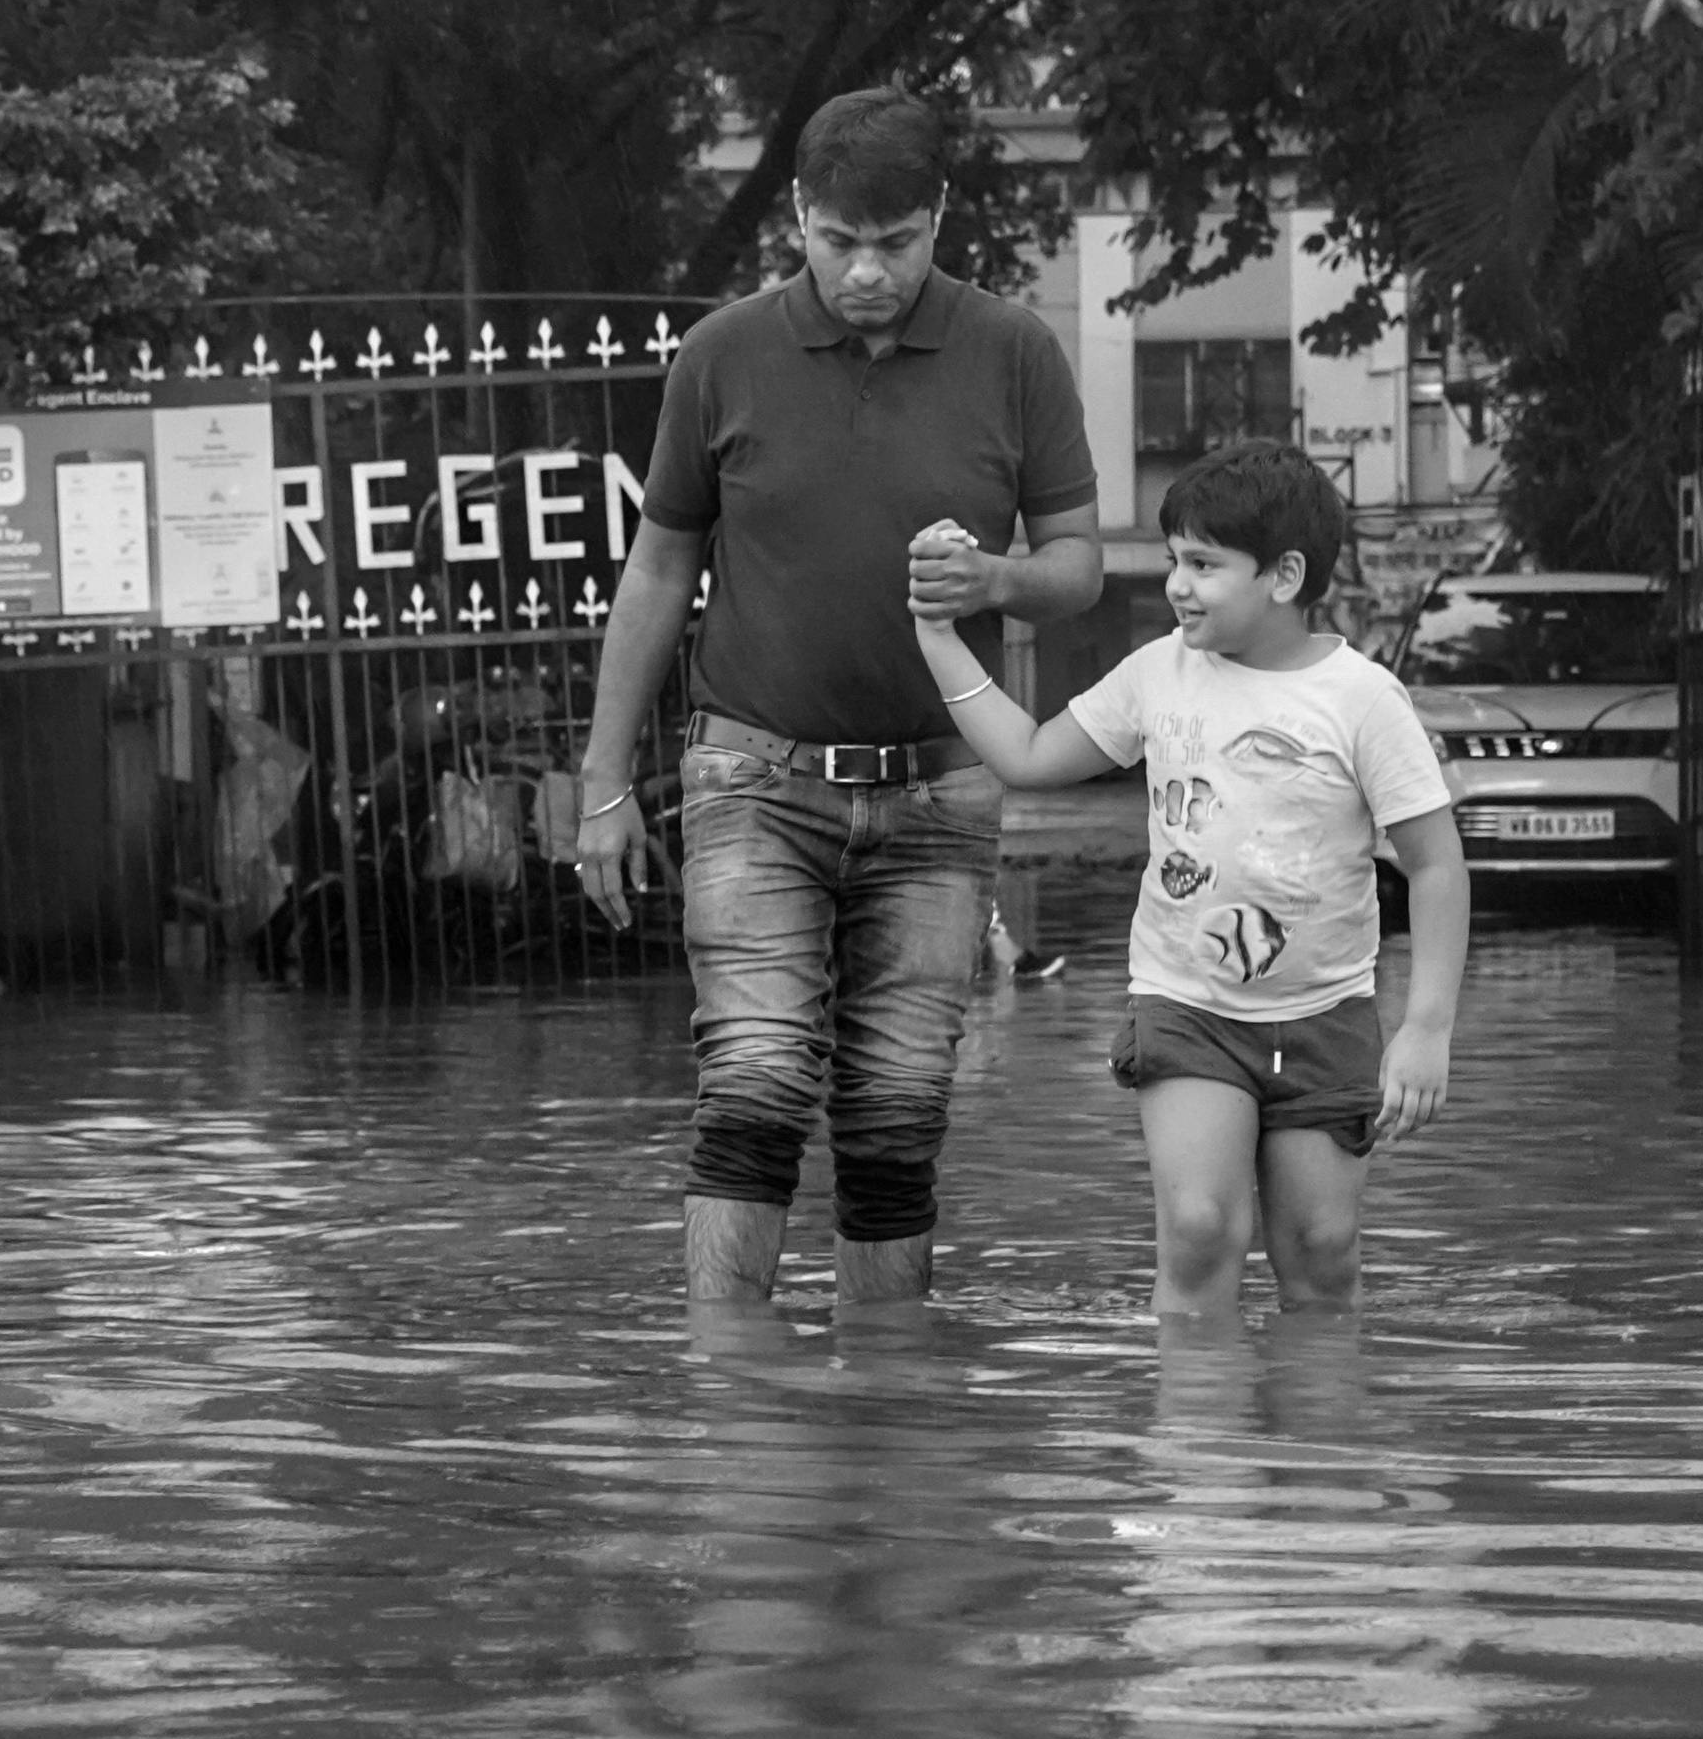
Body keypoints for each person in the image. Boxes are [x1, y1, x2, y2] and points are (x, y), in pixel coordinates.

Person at [571, 90, 1102, 1305]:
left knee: (899, 1105)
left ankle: (892, 1412)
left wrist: (999, 575)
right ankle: (734, 1403)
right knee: (754, 1080)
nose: (869, 271)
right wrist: (603, 788)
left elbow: (1078, 568)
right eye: (839, 241)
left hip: (939, 789)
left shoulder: (1013, 350)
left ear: (941, 219)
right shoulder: (721, 356)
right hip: (751, 777)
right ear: (798, 218)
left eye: (899, 242)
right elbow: (658, 569)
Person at [909, 441, 1464, 1341]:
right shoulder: (1159, 672)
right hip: (1187, 1005)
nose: (1177, 584)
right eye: (1175, 560)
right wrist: (938, 637)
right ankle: (1209, 1471)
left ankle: (1325, 1469)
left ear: (1284, 575)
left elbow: (1436, 865)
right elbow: (1028, 756)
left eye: (1203, 565)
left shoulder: (1364, 699)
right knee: (1202, 1230)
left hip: (1326, 1016)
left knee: (1324, 1250)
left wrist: (1427, 1028)